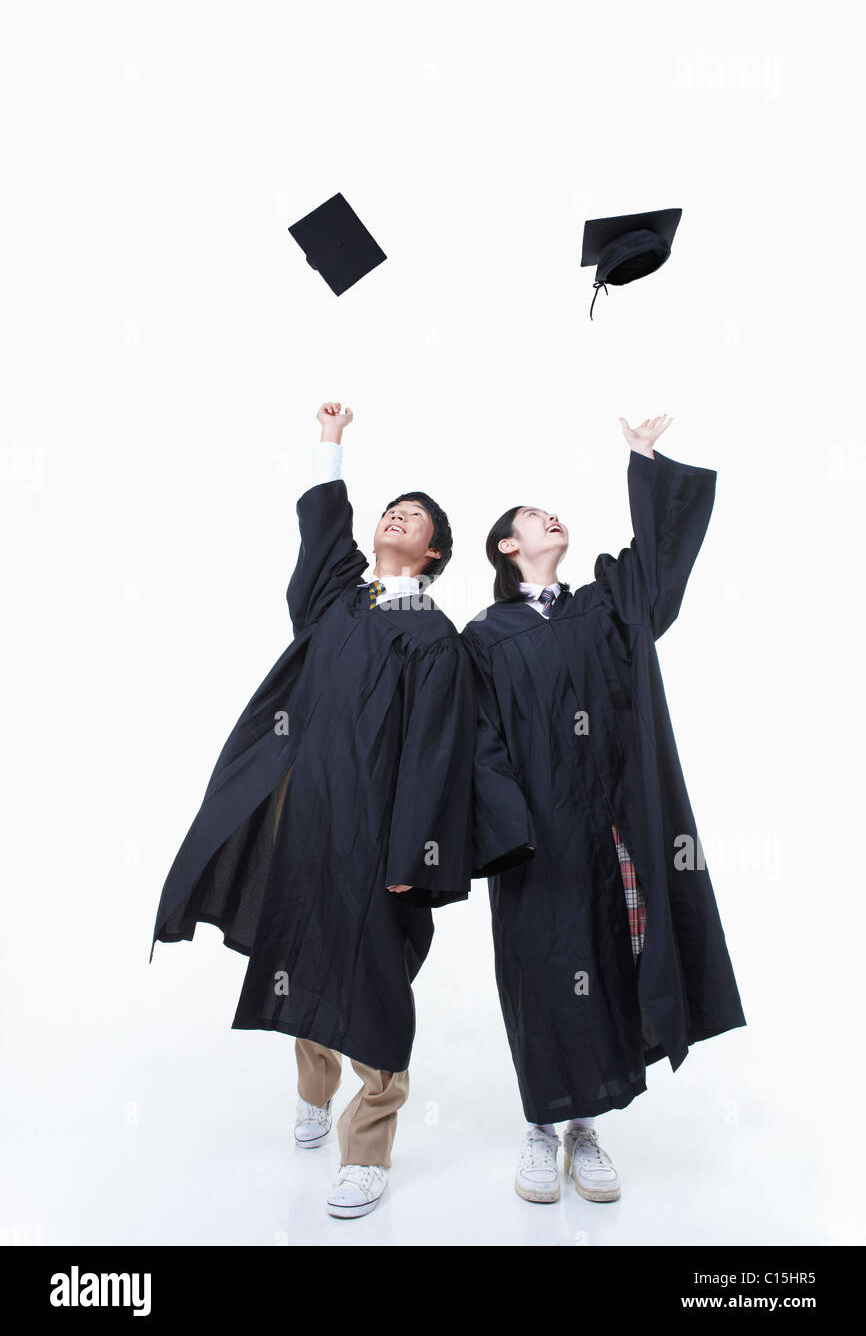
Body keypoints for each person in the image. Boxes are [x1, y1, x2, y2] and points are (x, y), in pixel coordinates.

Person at [151, 403, 524, 1218]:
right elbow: (320, 539)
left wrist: (412, 859)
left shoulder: (435, 639)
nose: (398, 515)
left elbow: (435, 754)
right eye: (392, 507)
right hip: (306, 814)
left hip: (379, 836)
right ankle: (314, 1094)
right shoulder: (334, 604)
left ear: (432, 552)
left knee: (375, 983)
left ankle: (370, 1148)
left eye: (415, 517)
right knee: (299, 950)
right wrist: (331, 444)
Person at [462, 414, 746, 1205]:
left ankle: (587, 1127)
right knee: (542, 970)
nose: (548, 515)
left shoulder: (602, 605)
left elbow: (658, 576)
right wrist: (509, 830)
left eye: (552, 510)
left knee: (612, 962)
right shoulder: (485, 637)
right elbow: (478, 742)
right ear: (507, 547)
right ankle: (541, 1126)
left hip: (610, 822)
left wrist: (644, 460)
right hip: (533, 835)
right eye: (530, 515)